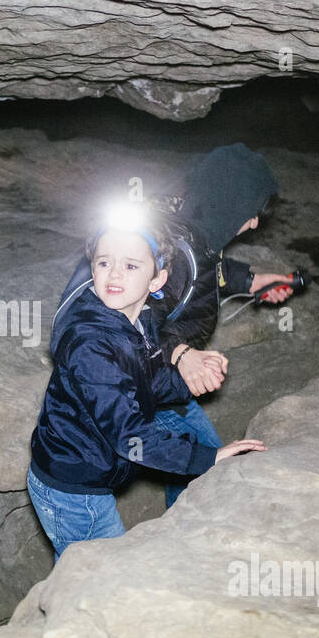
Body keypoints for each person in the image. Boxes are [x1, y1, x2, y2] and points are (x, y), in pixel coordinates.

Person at [50, 144, 296, 509]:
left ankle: (183, 517)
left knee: (199, 457)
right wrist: (182, 354)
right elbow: (132, 318)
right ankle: (187, 525)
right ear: (229, 200)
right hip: (133, 372)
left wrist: (252, 280)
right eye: (253, 211)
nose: (255, 223)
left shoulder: (181, 222)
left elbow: (204, 270)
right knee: (204, 461)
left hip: (146, 371)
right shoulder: (176, 252)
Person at [28, 215, 266, 561]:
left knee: (93, 575)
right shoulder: (91, 344)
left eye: (130, 265)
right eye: (104, 262)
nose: (114, 274)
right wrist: (207, 457)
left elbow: (142, 381)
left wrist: (182, 383)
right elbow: (131, 439)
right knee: (103, 576)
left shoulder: (138, 322)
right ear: (91, 268)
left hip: (85, 472)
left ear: (158, 280)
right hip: (74, 490)